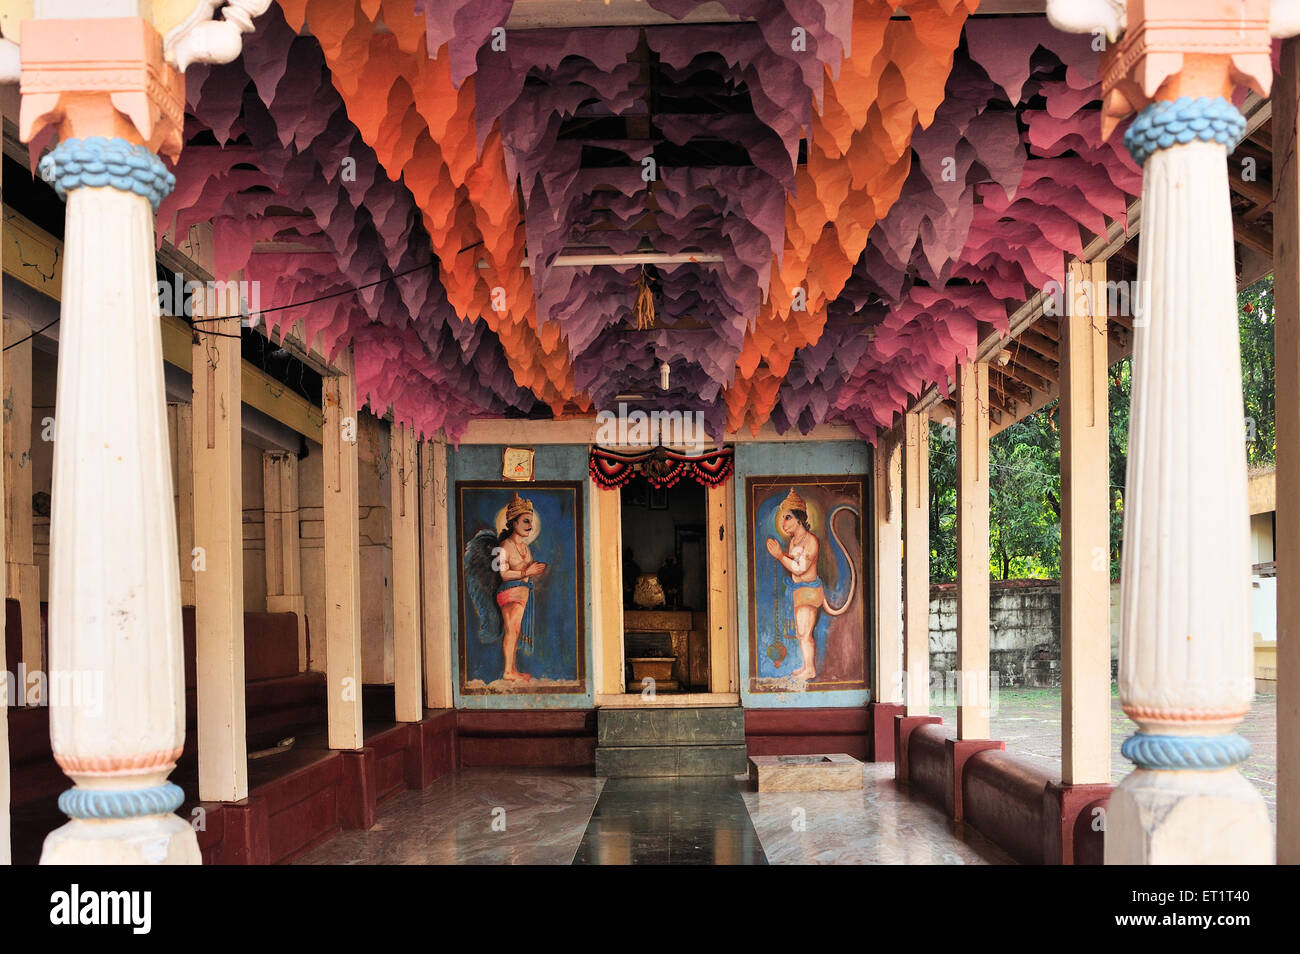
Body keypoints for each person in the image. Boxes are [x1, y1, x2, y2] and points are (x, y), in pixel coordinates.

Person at [766, 489, 824, 680]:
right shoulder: (793, 541)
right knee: (801, 633)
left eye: (788, 517)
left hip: (809, 592)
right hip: (798, 591)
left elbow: (800, 568)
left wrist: (780, 556)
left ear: (799, 518)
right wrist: (784, 555)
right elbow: (794, 561)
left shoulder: (811, 541)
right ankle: (806, 666)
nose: (783, 524)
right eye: (783, 518)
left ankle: (810, 669)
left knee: (805, 633)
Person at [495, 493, 547, 682]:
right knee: (512, 630)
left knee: (515, 631)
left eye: (531, 522)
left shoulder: (526, 548)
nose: (530, 526)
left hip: (523, 593)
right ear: (513, 523)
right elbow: (503, 574)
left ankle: (512, 669)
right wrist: (526, 572)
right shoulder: (503, 547)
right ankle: (508, 671)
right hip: (509, 593)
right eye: (525, 521)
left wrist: (534, 571)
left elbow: (527, 570)